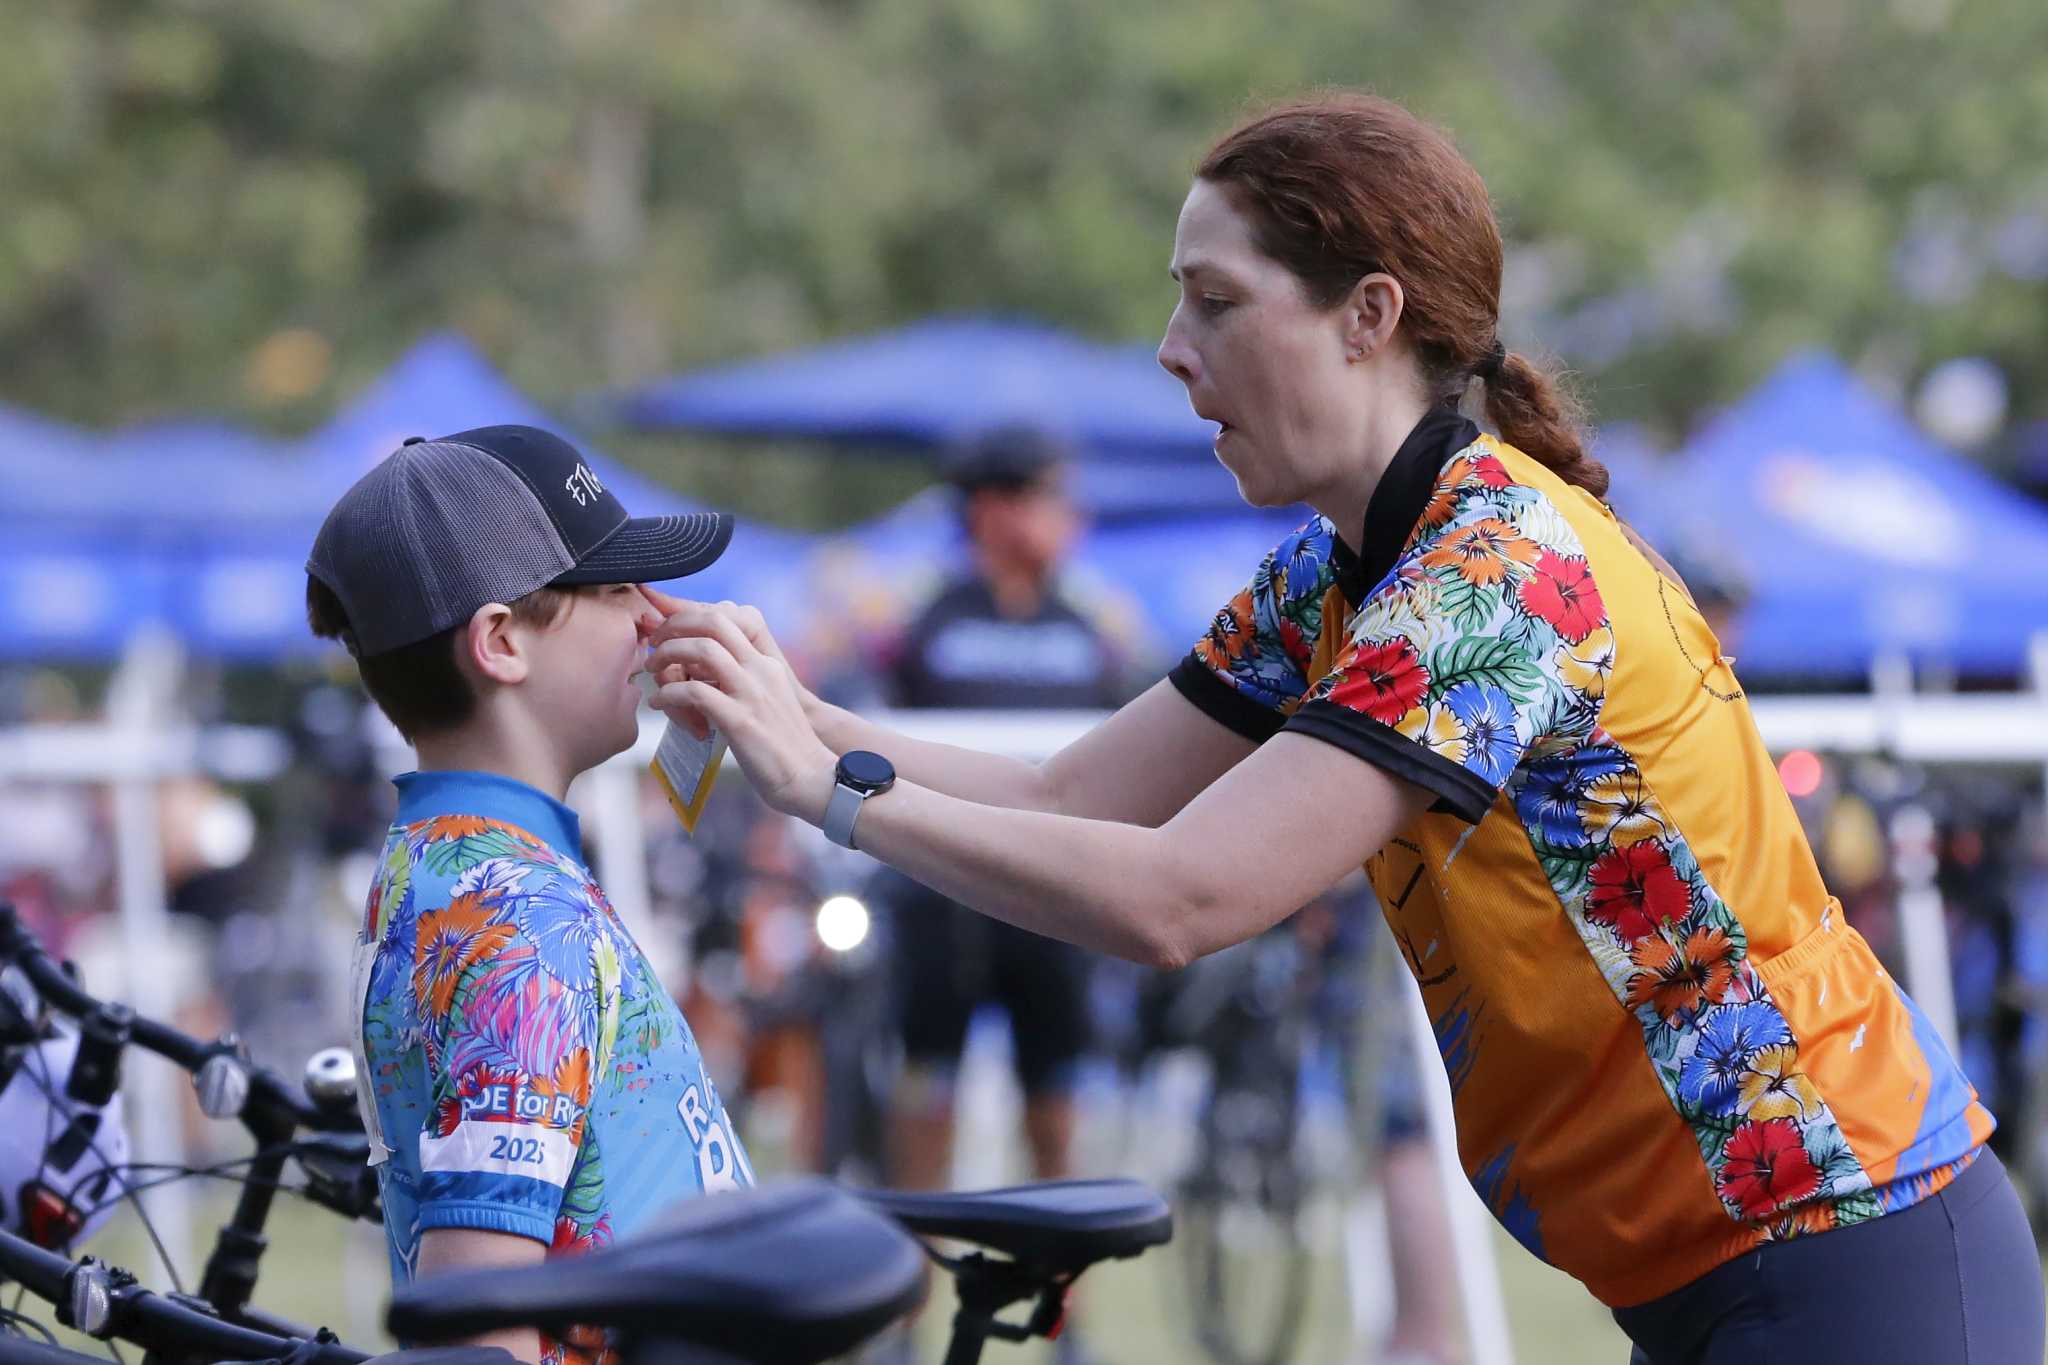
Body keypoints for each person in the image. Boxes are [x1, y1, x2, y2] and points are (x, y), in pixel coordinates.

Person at [644, 94, 2045, 1363]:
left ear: (1369, 315)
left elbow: (1180, 897)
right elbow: (1074, 796)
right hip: (1742, 1269)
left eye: (1214, 302)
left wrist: (828, 790)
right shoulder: (1339, 571)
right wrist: (801, 715)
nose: (1170, 351)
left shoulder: (1491, 576)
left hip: (1845, 1248)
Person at [307, 426, 753, 1365]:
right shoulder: (519, 921)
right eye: (615, 589)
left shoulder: (459, 866)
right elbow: (480, 1321)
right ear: (501, 643)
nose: (653, 616)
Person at [878, 425, 1124, 1199]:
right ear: (992, 506)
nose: (1071, 515)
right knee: (925, 1088)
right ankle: (911, 1271)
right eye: (1051, 496)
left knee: (1055, 1097)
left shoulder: (1091, 623)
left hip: (1054, 895)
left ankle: (1060, 1273)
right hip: (936, 895)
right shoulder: (920, 617)